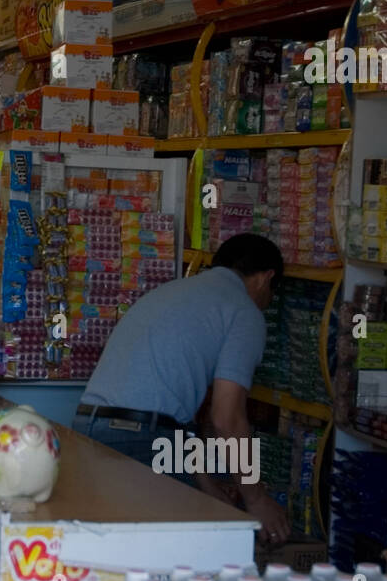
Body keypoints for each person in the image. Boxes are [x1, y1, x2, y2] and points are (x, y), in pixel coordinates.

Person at [79, 233, 291, 544]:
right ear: (266, 278)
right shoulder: (244, 312)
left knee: (115, 554)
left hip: (89, 428)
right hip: (141, 438)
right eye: (273, 292)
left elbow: (171, 421)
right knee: (182, 555)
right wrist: (256, 499)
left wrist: (209, 489)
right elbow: (226, 418)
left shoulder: (173, 292)